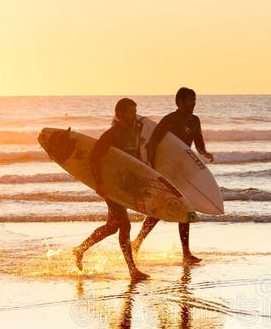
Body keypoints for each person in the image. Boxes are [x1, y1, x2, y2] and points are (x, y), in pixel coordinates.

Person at [132, 87, 214, 264]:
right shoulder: (169, 120)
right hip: (167, 171)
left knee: (187, 210)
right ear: (180, 102)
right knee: (159, 209)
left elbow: (198, 143)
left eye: (195, 100)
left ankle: (186, 253)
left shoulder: (194, 120)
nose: (194, 103)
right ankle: (137, 243)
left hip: (184, 173)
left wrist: (205, 153)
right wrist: (153, 168)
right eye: (191, 100)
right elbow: (152, 144)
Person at [72, 98, 148, 281]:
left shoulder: (135, 132)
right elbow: (94, 157)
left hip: (125, 185)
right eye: (130, 112)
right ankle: (132, 270)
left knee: (113, 226)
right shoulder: (111, 134)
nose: (133, 115)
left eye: (134, 111)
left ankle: (80, 249)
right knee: (125, 225)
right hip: (111, 185)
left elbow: (135, 158)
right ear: (119, 114)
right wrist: (99, 183)